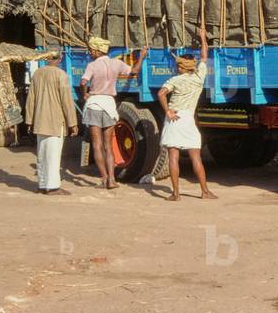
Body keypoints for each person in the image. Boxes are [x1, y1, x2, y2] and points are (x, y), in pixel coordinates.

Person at [157, 29, 217, 201]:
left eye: (178, 65)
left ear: (182, 67)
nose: (176, 67)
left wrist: (167, 110)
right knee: (196, 157)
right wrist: (203, 38)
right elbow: (204, 57)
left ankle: (176, 194)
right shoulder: (199, 78)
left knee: (173, 156)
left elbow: (161, 94)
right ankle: (205, 192)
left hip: (174, 118)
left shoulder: (175, 80)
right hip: (189, 119)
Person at [81, 37, 148, 189]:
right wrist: (142, 56)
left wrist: (85, 94)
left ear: (97, 51)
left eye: (92, 50)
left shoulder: (92, 65)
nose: (90, 53)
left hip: (94, 104)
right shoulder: (116, 63)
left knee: (96, 145)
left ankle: (104, 179)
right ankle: (112, 179)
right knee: (108, 146)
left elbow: (83, 82)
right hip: (109, 105)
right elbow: (135, 71)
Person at [24, 51, 78, 195]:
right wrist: (73, 123)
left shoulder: (37, 74)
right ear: (60, 59)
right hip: (55, 121)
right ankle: (53, 187)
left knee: (42, 154)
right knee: (53, 155)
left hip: (40, 121)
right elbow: (67, 102)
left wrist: (29, 120)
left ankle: (42, 184)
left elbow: (31, 100)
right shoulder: (61, 75)